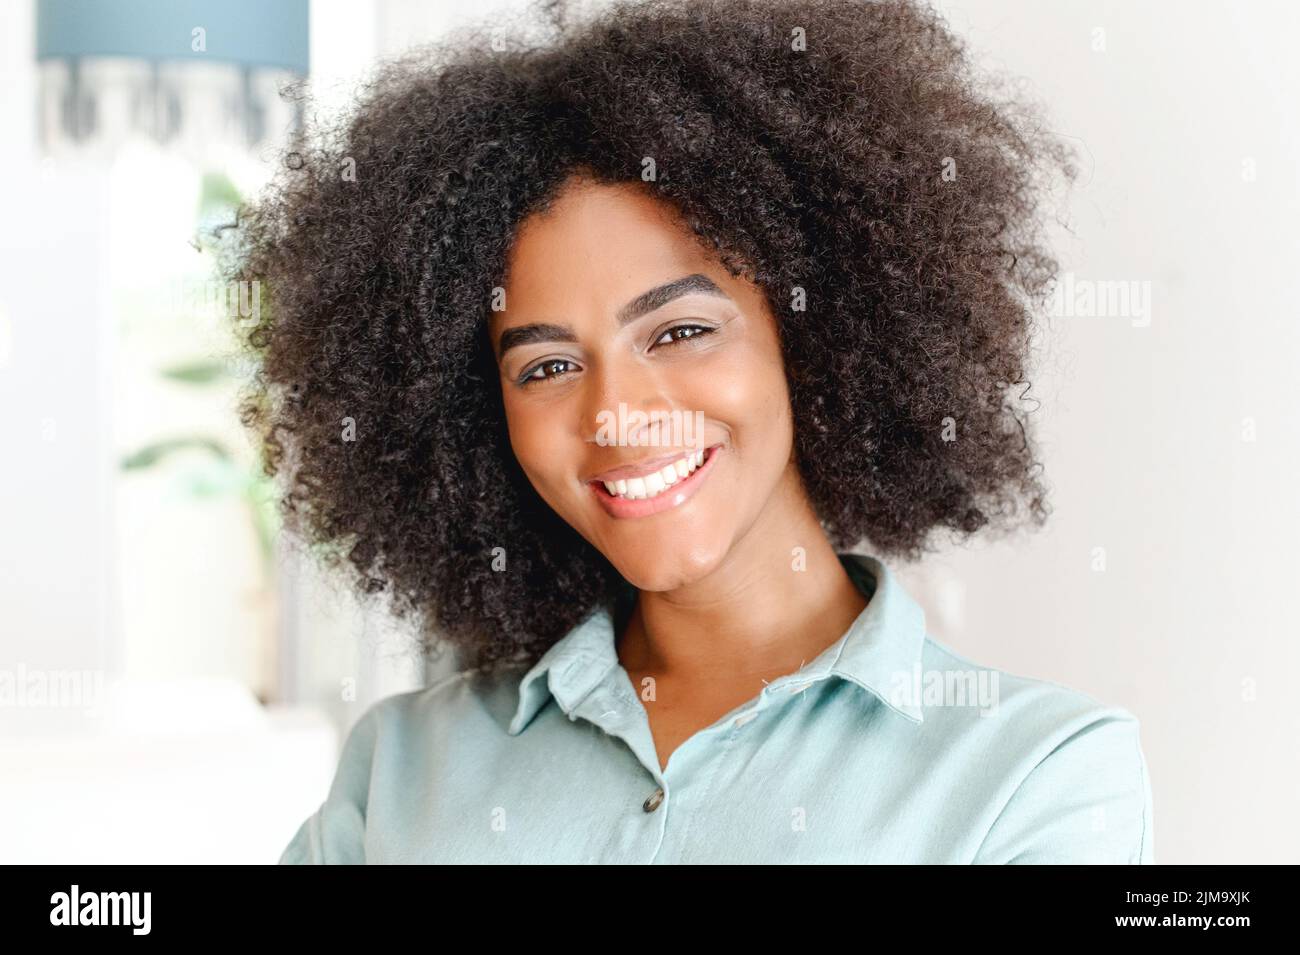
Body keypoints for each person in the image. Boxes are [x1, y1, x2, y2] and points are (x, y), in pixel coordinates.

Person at [229, 0, 1154, 863]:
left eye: (678, 331)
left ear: (815, 332)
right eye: (546, 366)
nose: (615, 414)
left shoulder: (1035, 778)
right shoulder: (401, 772)